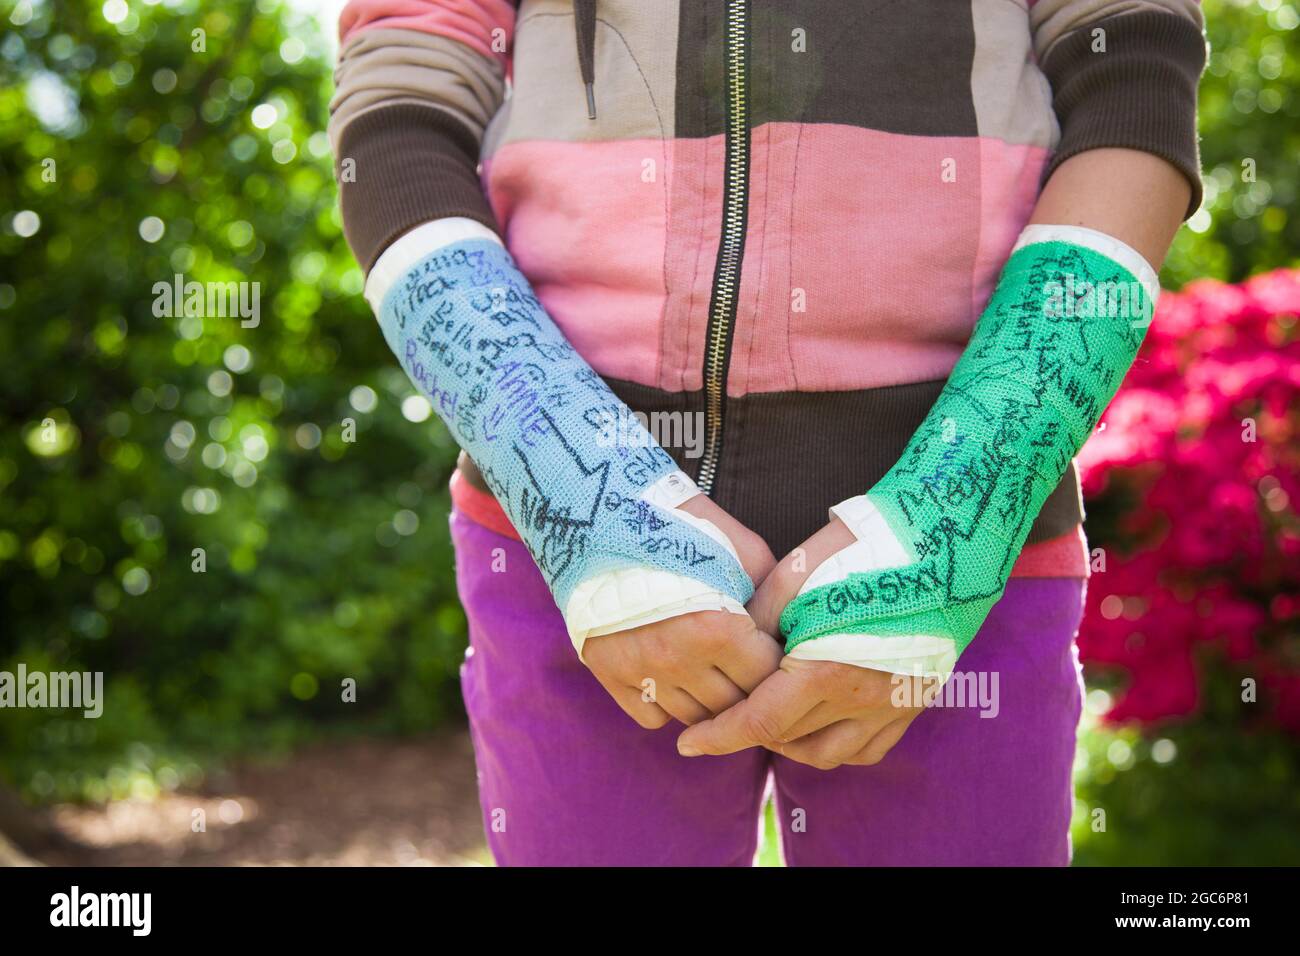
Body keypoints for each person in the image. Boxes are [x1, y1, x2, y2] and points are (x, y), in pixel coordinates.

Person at [329, 0, 1205, 866]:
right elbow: (401, 114)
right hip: (565, 550)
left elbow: (1133, 74)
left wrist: (948, 525)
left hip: (976, 544)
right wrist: (588, 504)